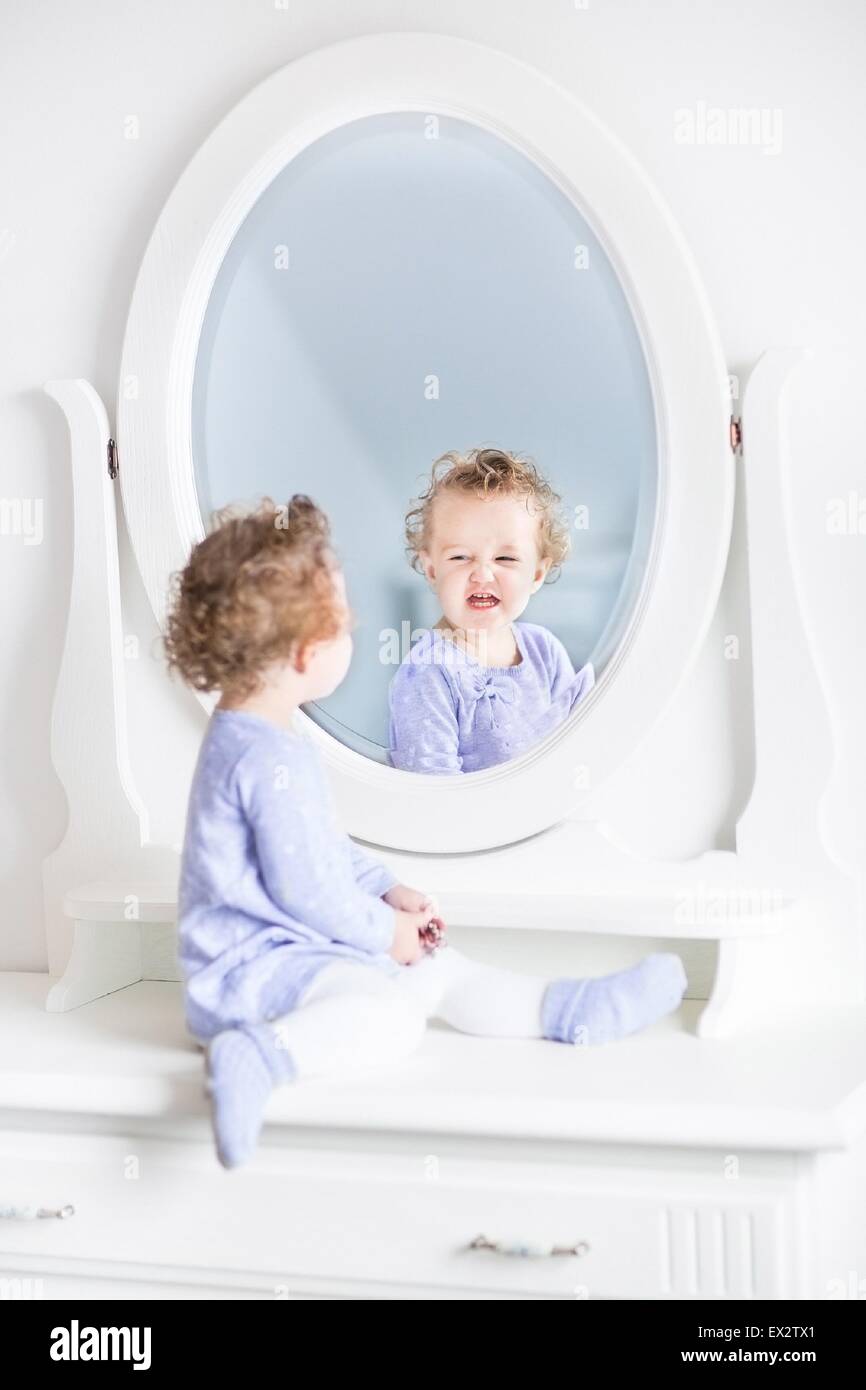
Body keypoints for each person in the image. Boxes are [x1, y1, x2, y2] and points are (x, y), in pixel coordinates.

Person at [163, 494, 687, 1169]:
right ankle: (261, 1055)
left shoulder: (262, 737)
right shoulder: (263, 755)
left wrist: (385, 890)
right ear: (303, 653)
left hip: (290, 956)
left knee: (439, 968)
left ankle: (567, 1008)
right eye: (345, 625)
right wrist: (386, 935)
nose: (355, 634)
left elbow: (319, 852)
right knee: (392, 1018)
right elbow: (308, 890)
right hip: (252, 980)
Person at [388, 447, 595, 773]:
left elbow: (573, 749)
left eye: (505, 559)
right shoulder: (427, 673)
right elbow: (431, 795)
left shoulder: (545, 652)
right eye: (460, 557)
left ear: (537, 574)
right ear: (431, 570)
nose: (482, 574)